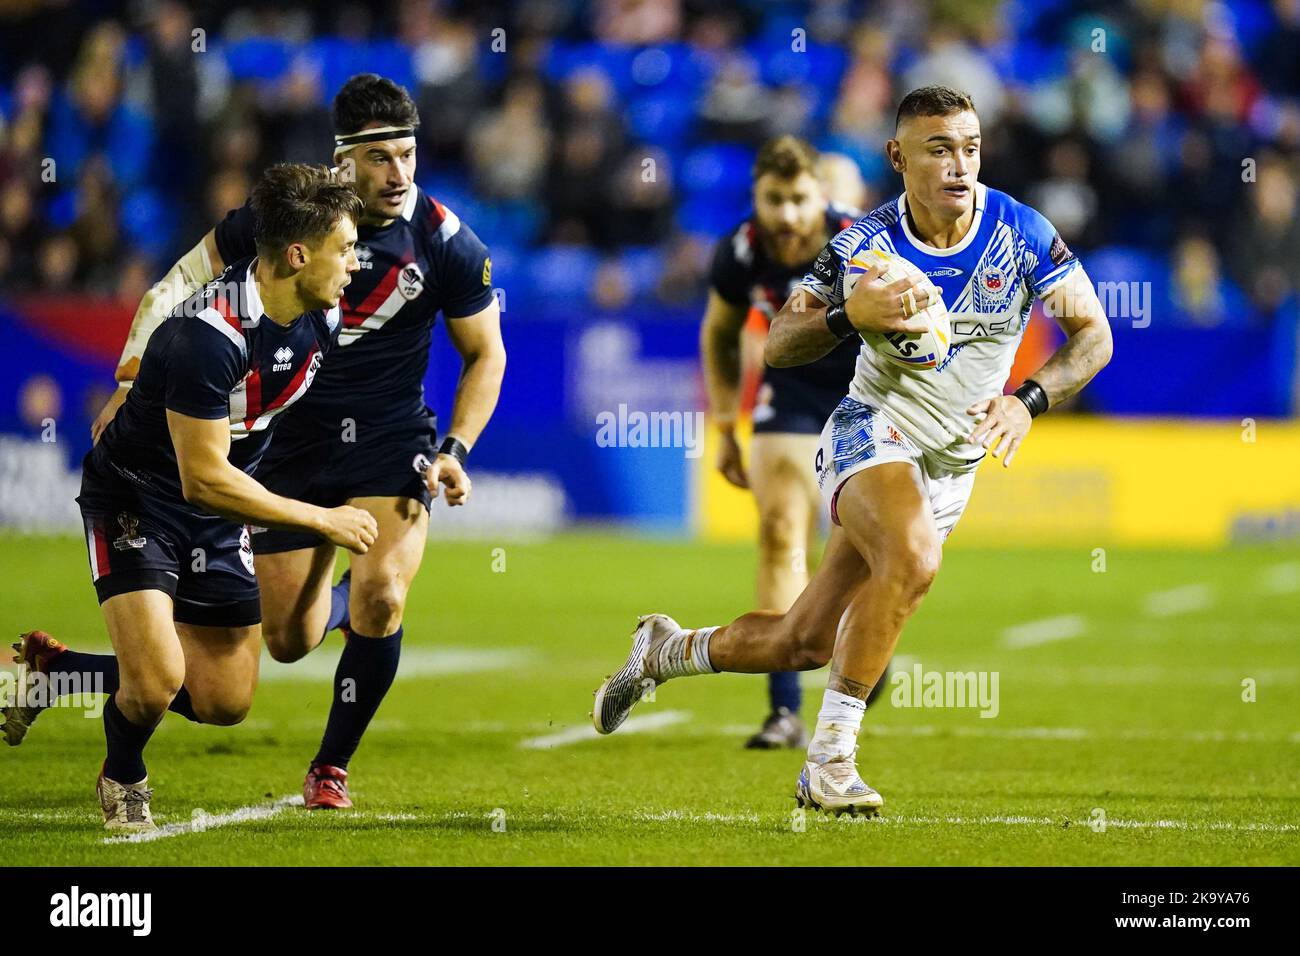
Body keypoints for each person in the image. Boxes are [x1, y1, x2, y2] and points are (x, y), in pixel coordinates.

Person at [592, 86, 1113, 815]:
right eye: (938, 149)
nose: (958, 164)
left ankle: (666, 651)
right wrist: (846, 313)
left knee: (801, 642)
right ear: (898, 157)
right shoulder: (864, 245)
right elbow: (778, 342)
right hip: (872, 428)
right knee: (913, 558)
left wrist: (1028, 400)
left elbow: (1095, 336)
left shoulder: (1020, 233)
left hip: (951, 466)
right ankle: (830, 762)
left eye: (969, 147)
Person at [76, 74, 505, 810]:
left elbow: (486, 355)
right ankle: (89, 671)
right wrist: (131, 372)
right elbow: (176, 285)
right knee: (286, 641)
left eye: (407, 153)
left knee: (382, 594)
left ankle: (329, 769)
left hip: (389, 440)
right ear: (343, 160)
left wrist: (454, 450)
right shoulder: (279, 224)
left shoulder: (445, 242)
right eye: (379, 158)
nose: (399, 172)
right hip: (284, 450)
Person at [5, 164, 374, 830]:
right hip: (138, 498)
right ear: (297, 255)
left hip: (216, 513)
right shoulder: (210, 336)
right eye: (345, 248)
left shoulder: (322, 314)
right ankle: (124, 777)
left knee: (223, 699)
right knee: (152, 685)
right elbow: (203, 476)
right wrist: (318, 517)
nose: (355, 262)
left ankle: (56, 674)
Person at [702, 135, 862, 749]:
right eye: (775, 200)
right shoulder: (741, 251)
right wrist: (724, 428)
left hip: (863, 396)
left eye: (799, 199)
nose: (788, 215)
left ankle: (861, 642)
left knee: (865, 552)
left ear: (821, 195)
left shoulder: (860, 239)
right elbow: (719, 334)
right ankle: (784, 709)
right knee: (778, 536)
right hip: (789, 394)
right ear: (756, 200)